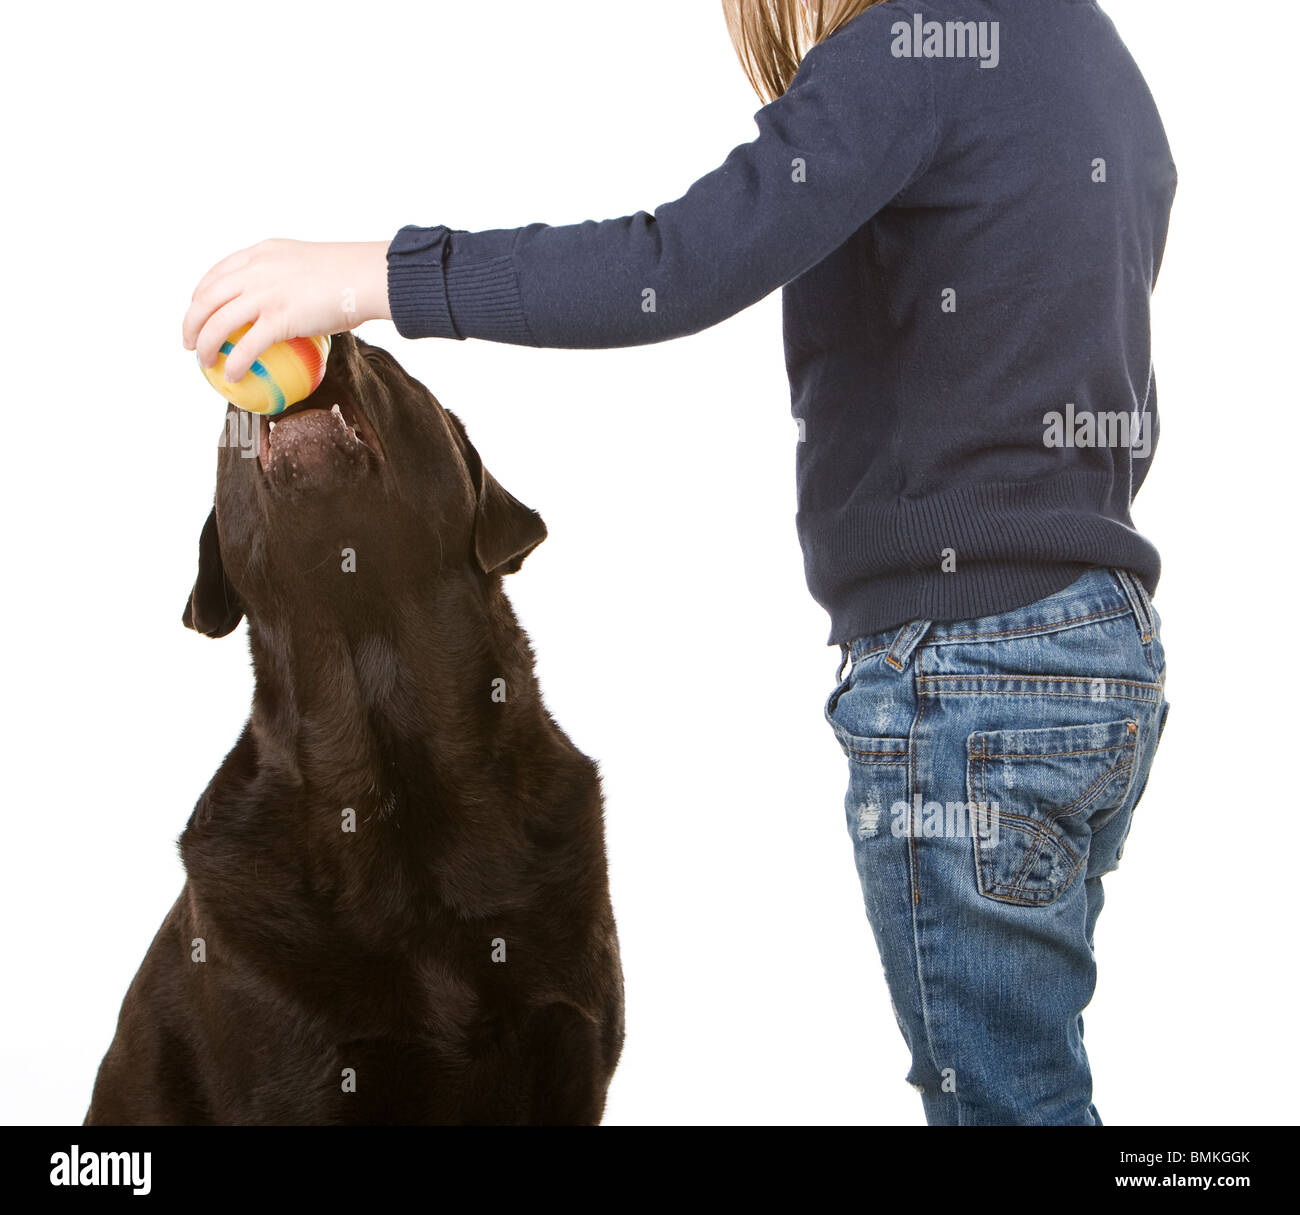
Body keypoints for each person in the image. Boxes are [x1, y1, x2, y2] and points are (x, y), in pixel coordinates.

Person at [180, 0, 1175, 1126]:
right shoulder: (1087, 49)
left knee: (1003, 1102)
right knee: (1030, 1079)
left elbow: (674, 265)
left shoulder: (911, 44)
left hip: (965, 675)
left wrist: (378, 277)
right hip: (1100, 652)